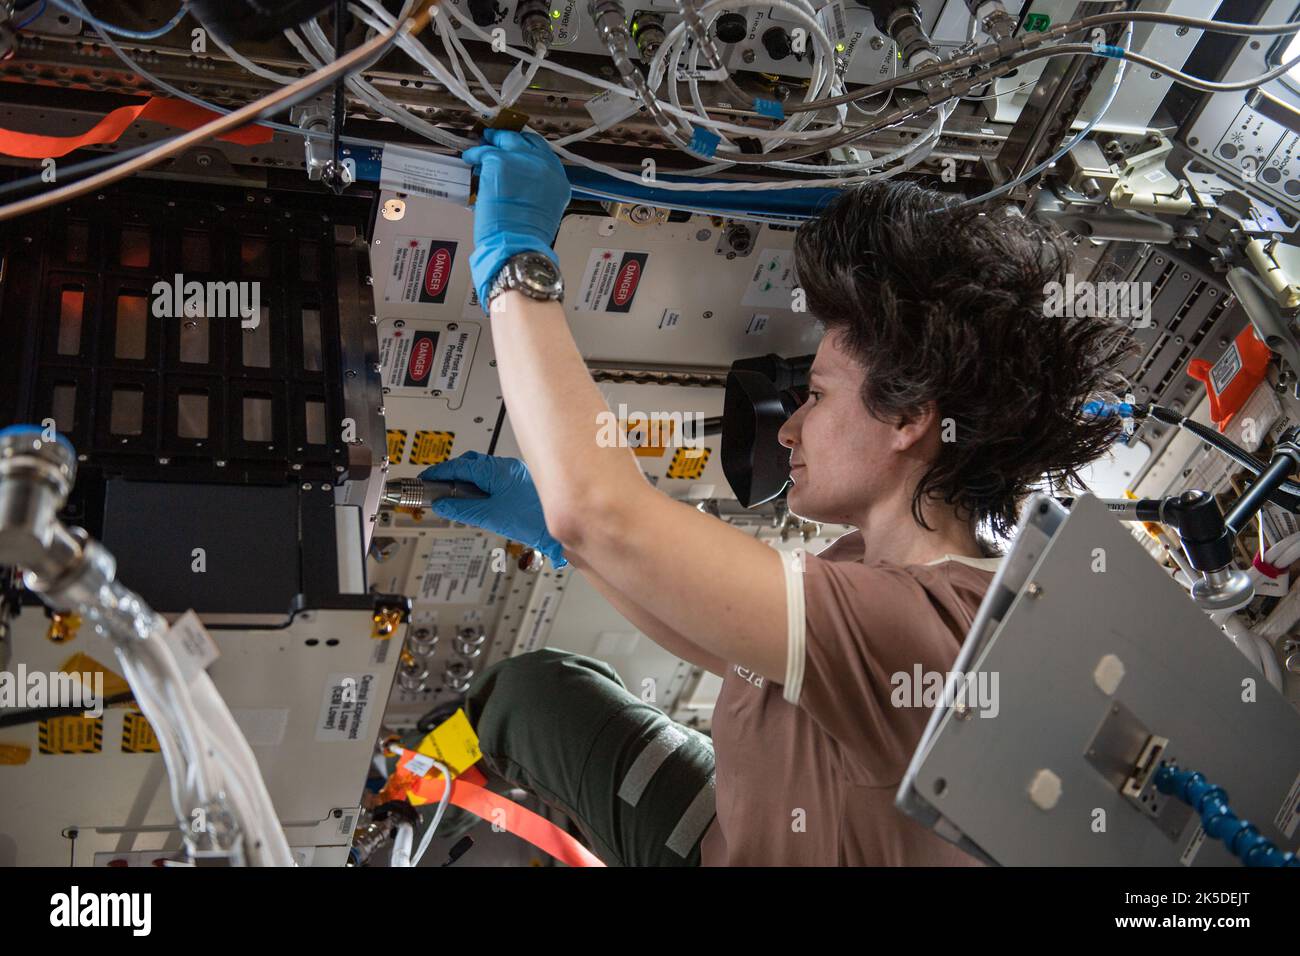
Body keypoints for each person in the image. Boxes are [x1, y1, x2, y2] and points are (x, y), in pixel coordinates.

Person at [421, 128, 1134, 866]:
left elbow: (603, 511)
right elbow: (723, 640)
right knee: (534, 693)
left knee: (521, 696)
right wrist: (563, 536)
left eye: (817, 396)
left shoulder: (929, 631)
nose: (789, 430)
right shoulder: (876, 565)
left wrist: (516, 264)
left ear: (909, 418)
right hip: (741, 825)